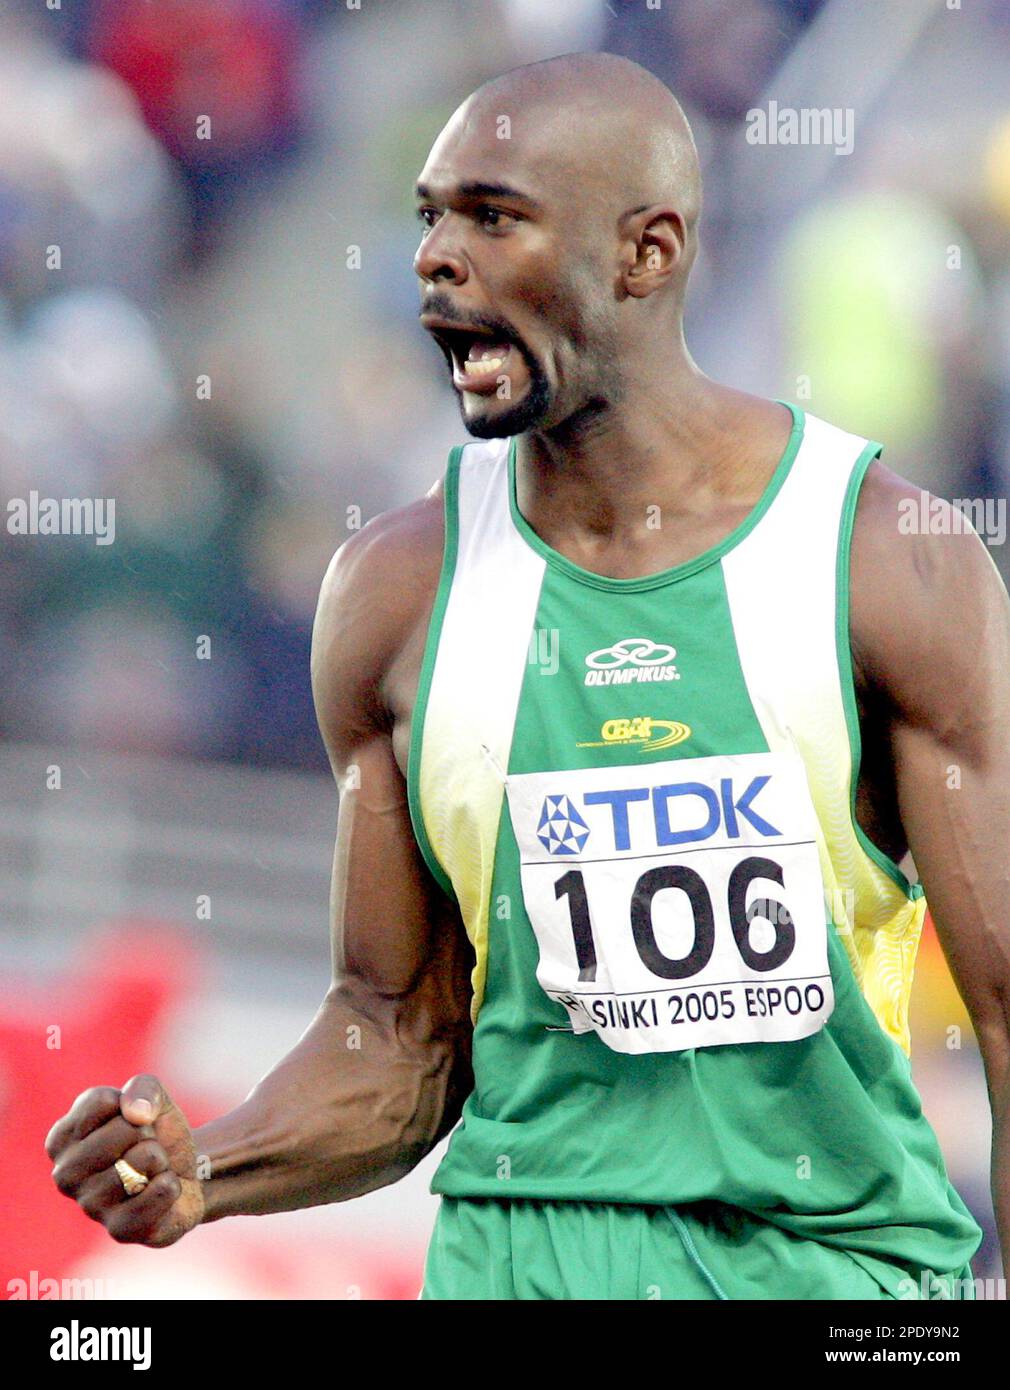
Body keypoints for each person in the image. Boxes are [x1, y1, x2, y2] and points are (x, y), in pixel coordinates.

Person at [47, 52, 1010, 1300]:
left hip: (829, 1282)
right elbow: (398, 1035)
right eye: (428, 216)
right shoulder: (392, 595)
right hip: (516, 1271)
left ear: (646, 252)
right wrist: (204, 1168)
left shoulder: (887, 561)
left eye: (492, 216)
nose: (434, 257)